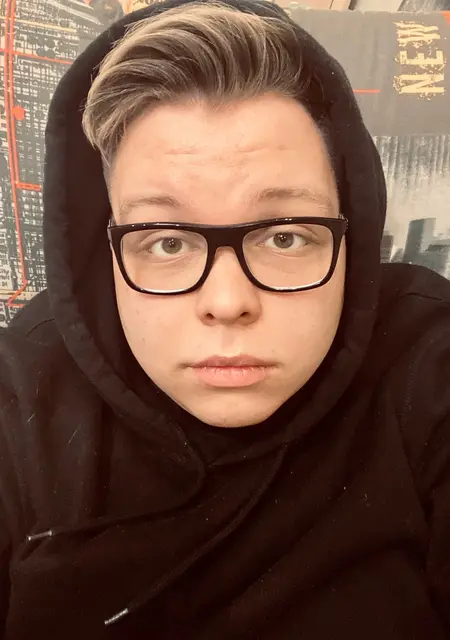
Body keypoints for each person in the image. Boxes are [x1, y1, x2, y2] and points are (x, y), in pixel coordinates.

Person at [0, 0, 449, 637]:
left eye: (286, 236)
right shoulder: (20, 397)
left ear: (351, 230)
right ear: (104, 250)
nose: (229, 301)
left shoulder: (429, 363)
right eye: (167, 241)